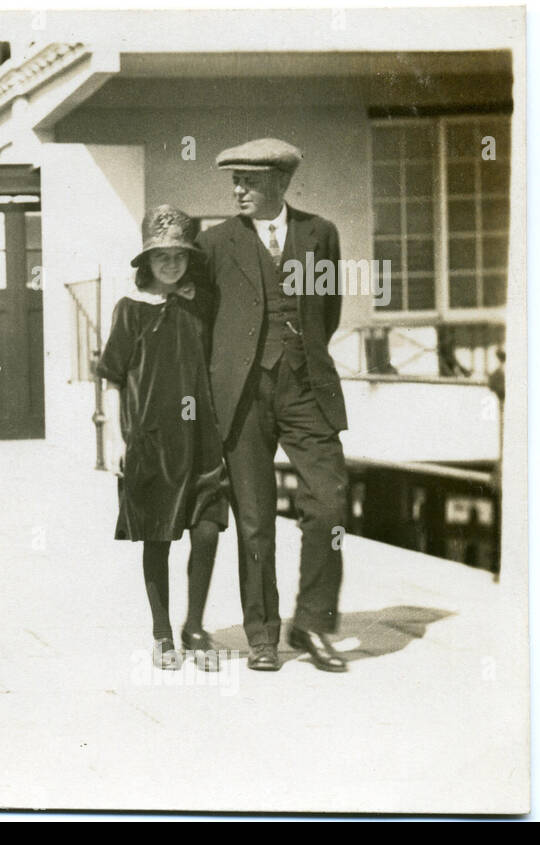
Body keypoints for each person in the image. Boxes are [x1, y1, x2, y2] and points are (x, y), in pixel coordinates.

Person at [197, 138, 349, 673]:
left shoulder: (319, 234)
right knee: (255, 521)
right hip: (241, 395)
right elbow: (204, 321)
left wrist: (298, 356)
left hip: (306, 387)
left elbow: (325, 311)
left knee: (328, 502)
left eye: (250, 181)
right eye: (234, 180)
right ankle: (262, 635)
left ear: (281, 184)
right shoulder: (214, 243)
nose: (238, 190)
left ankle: (311, 622)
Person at [97, 205, 228, 672]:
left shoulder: (200, 304)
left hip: (202, 439)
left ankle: (195, 625)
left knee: (209, 527)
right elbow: (111, 377)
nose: (170, 264)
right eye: (161, 257)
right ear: (146, 262)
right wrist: (113, 438)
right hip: (150, 440)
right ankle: (163, 633)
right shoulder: (131, 311)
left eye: (178, 255)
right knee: (157, 535)